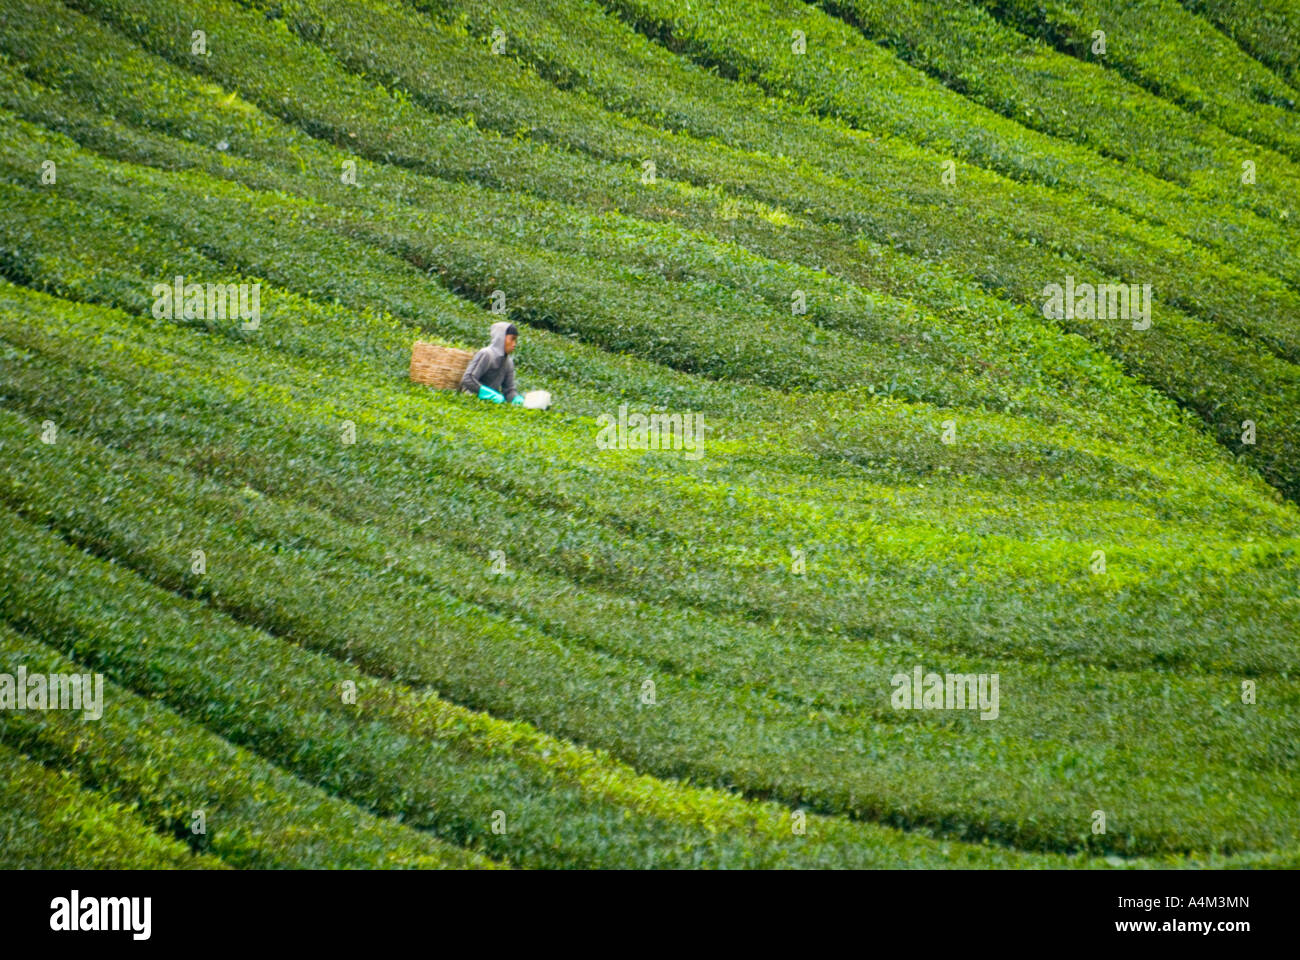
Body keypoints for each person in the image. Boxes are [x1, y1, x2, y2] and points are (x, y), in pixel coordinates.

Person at [459, 321, 523, 405]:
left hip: (491, 403)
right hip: (472, 399)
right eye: (512, 339)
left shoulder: (508, 362)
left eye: (515, 340)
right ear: (501, 338)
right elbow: (468, 379)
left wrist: (516, 398)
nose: (514, 344)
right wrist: (487, 393)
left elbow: (509, 390)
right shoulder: (486, 354)